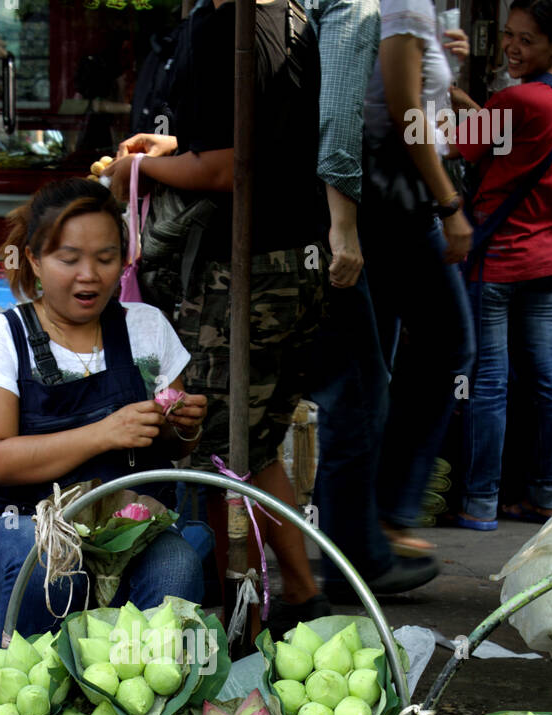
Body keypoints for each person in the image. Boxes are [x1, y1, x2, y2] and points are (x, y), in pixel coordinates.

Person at [108, 0, 332, 638]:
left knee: (214, 447)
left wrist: (137, 167)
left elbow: (231, 167)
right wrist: (176, 148)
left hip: (247, 271)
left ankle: (246, 621)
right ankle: (301, 593)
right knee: (254, 443)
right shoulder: (289, 16)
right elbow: (259, 140)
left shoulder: (218, 27)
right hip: (299, 263)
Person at [0, 178, 208, 641]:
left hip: (136, 522)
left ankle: (146, 701)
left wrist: (183, 426)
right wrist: (104, 433)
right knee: (50, 576)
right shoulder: (1, 339)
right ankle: (40, 689)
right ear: (33, 258)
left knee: (177, 571)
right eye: (69, 259)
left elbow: (175, 446)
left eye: (106, 258)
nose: (88, 274)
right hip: (32, 523)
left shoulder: (145, 329)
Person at [305, 0, 439, 602]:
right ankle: (353, 560)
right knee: (355, 393)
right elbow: (338, 116)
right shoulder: (352, 5)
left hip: (285, 216)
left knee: (349, 388)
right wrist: (342, 224)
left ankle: (347, 556)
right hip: (320, 219)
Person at [452, 0, 552, 529]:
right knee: (548, 380)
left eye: (527, 40)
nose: (512, 46)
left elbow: (462, 145)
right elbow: (502, 129)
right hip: (548, 262)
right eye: (509, 35)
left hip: (499, 265)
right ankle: (550, 496)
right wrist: (471, 104)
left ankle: (480, 503)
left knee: (490, 383)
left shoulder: (514, 99)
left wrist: (448, 109)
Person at [359, 0, 476, 557]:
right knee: (450, 341)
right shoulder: (403, 5)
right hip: (400, 200)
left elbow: (416, 102)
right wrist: (449, 201)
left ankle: (374, 518)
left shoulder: (417, 9)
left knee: (381, 357)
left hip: (392, 198)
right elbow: (404, 111)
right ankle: (388, 512)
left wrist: (450, 86)